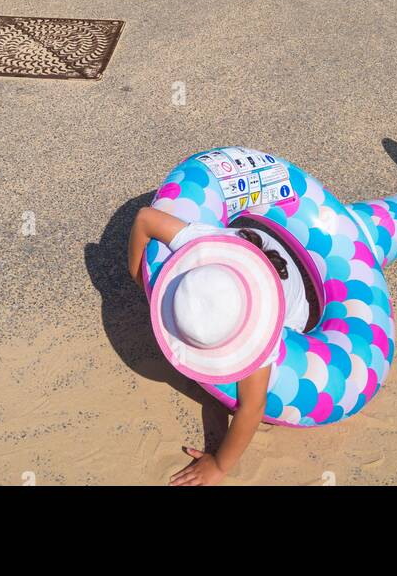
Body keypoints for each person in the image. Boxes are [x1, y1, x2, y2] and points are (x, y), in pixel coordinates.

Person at [127, 207, 314, 486]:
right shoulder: (201, 248)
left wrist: (218, 464)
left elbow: (252, 407)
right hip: (247, 248)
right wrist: (142, 282)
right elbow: (144, 218)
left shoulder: (266, 329)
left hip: (290, 306)